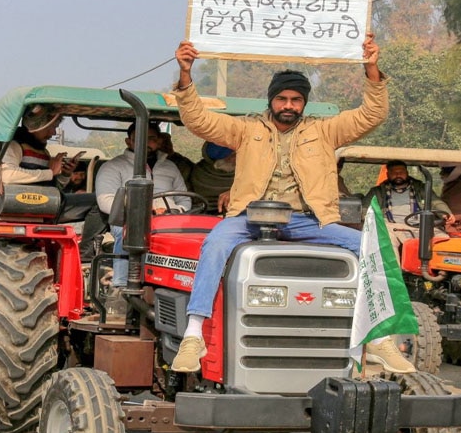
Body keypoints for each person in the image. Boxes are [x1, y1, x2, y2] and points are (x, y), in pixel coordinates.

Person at [169, 33, 414, 374]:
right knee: (215, 243)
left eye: (295, 100)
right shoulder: (245, 130)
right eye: (282, 98)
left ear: (304, 103)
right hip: (249, 218)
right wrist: (185, 75)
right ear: (271, 100)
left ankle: (380, 337)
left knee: (372, 248)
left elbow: (372, 114)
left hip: (308, 221)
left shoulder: (326, 131)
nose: (288, 105)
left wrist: (371, 69)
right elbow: (199, 120)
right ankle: (194, 335)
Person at [95, 121, 190, 310]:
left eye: (152, 139)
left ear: (160, 141)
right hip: (128, 220)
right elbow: (106, 200)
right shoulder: (114, 166)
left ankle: (182, 290)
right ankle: (121, 293)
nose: (147, 143)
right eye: (140, 139)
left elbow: (185, 200)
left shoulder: (170, 167)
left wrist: (175, 211)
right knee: (130, 235)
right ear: (129, 141)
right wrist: (143, 209)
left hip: (169, 222)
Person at [0, 105, 96, 222]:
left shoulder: (43, 151)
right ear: (37, 126)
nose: (54, 132)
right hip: (23, 205)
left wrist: (64, 174)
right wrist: (50, 172)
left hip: (47, 204)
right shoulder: (15, 146)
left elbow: (52, 188)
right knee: (97, 201)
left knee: (96, 199)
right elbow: (7, 176)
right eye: (51, 127)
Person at [363, 160, 454, 255]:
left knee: (444, 241)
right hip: (393, 226)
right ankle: (395, 269)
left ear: (407, 173)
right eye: (394, 173)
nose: (398, 175)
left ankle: (438, 269)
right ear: (388, 174)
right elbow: (365, 210)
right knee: (386, 240)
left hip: (421, 225)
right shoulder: (377, 191)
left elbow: (435, 202)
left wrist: (446, 213)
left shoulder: (421, 188)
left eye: (401, 172)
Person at [187, 142, 236, 215]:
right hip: (203, 212)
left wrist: (235, 192)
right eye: (231, 156)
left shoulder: (246, 172)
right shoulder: (201, 171)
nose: (235, 159)